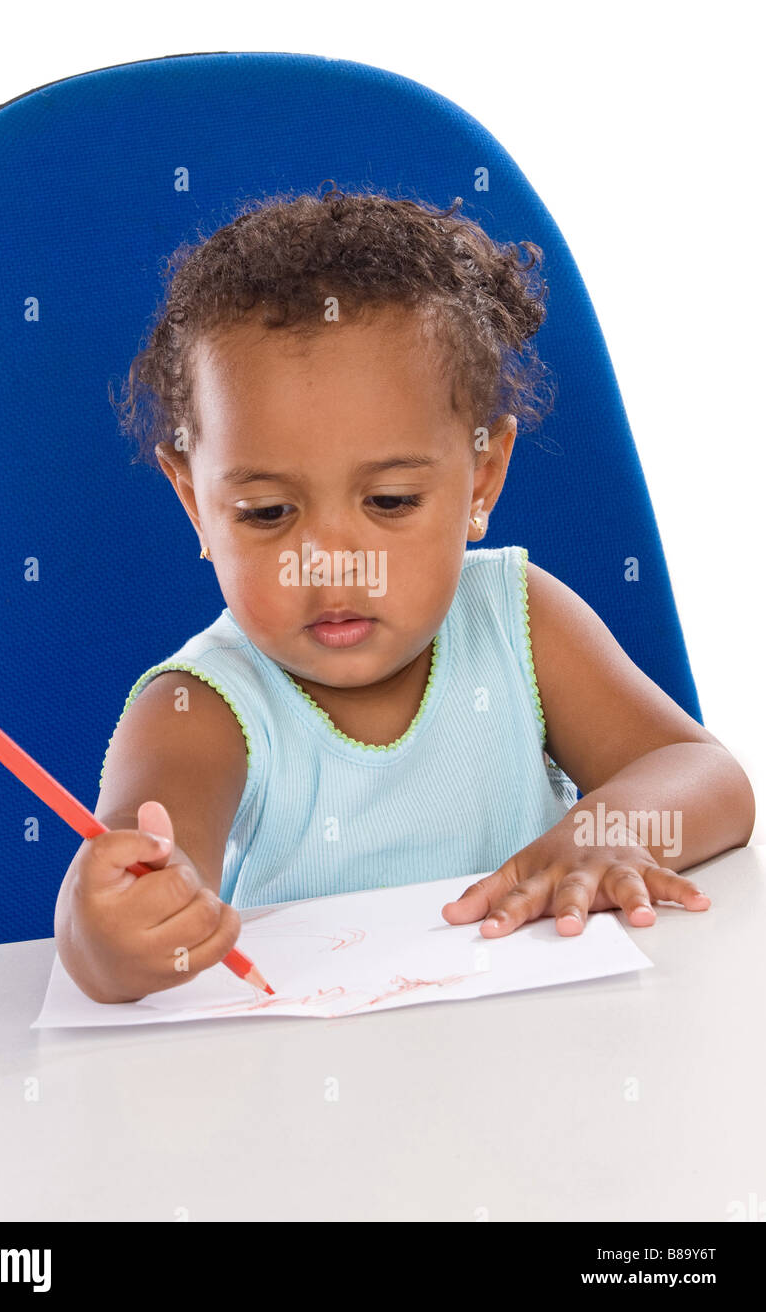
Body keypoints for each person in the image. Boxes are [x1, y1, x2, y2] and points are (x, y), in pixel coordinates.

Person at [54, 185, 755, 1004]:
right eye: (269, 513)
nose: (332, 563)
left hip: (542, 1078)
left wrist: (605, 836)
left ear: (482, 478)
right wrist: (109, 933)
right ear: (194, 502)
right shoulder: (200, 708)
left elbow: (710, 780)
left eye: (389, 502)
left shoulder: (518, 619)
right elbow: (134, 869)